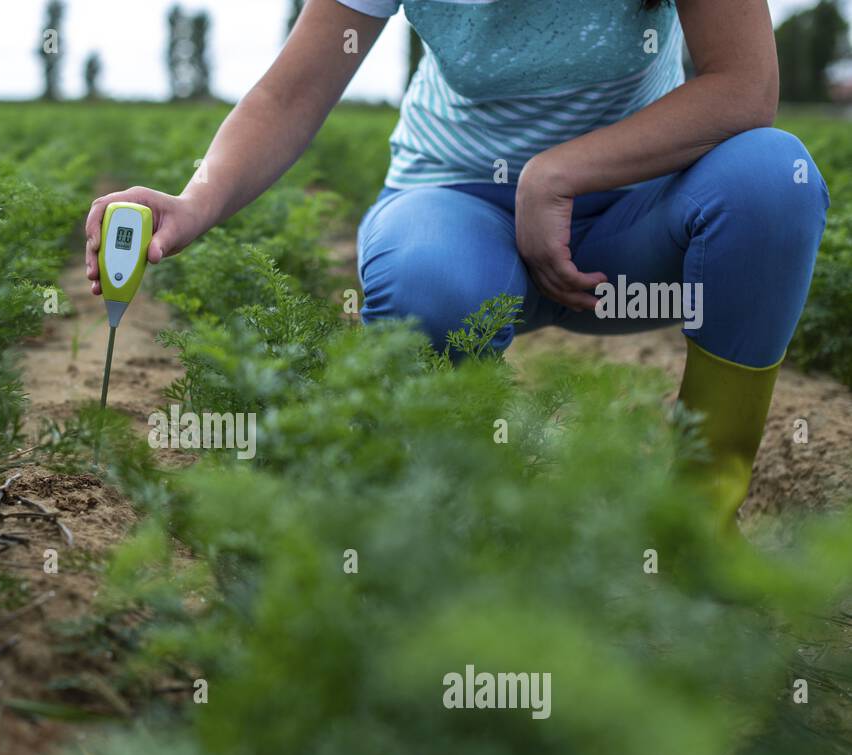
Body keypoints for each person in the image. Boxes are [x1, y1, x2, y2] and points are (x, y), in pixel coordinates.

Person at [85, 0, 829, 531]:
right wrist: (195, 200)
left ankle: (698, 519)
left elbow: (744, 86)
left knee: (772, 183)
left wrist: (559, 173)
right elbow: (289, 93)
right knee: (430, 282)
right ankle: (451, 530)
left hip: (636, 225)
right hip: (458, 205)